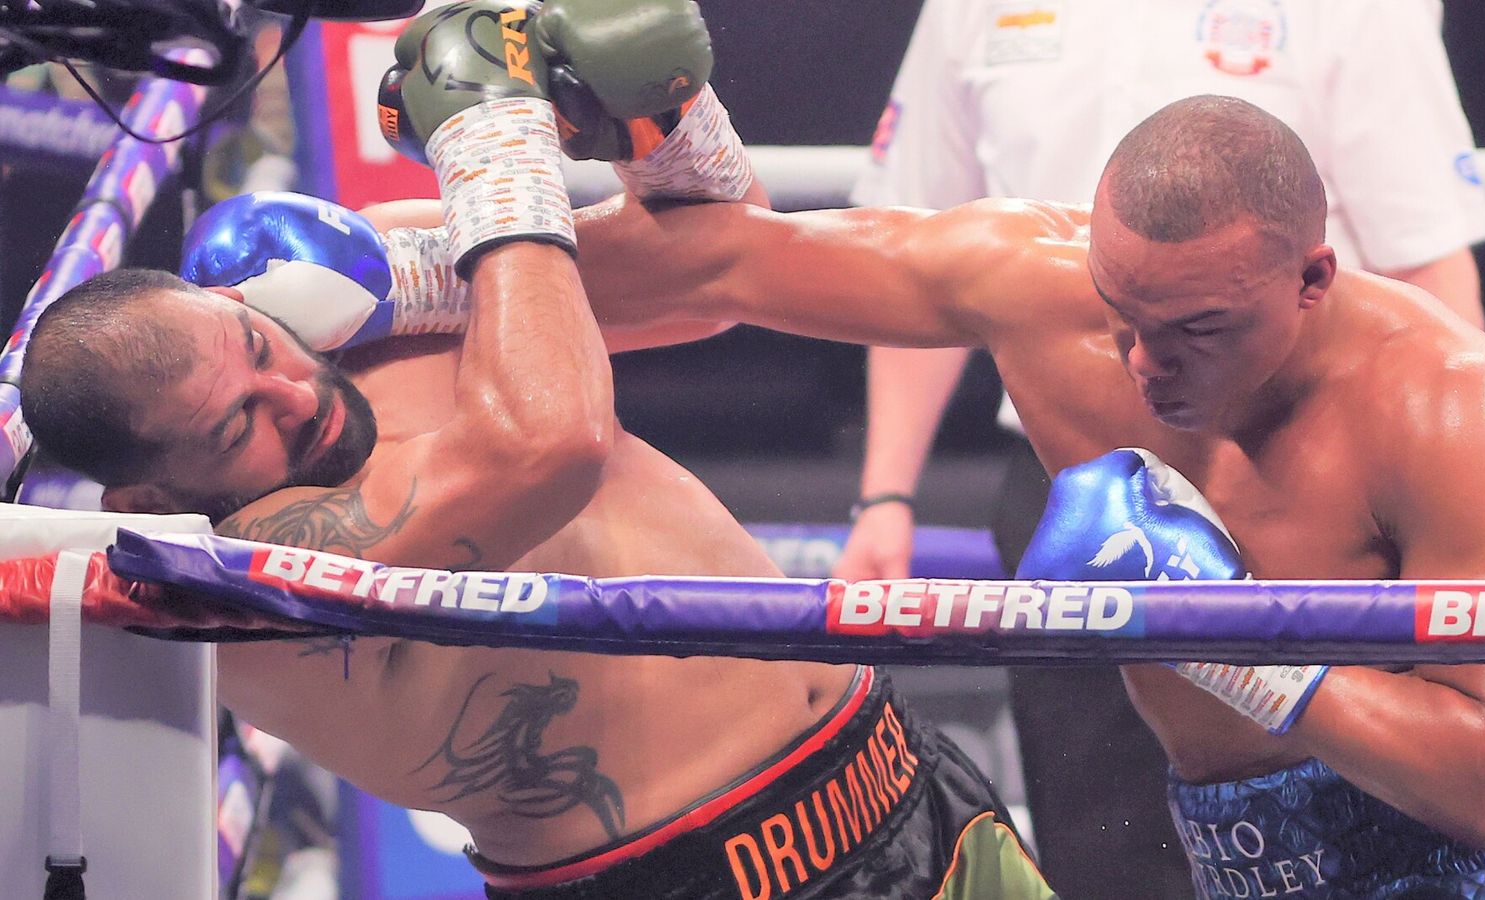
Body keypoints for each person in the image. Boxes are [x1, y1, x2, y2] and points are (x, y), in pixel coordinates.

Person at [15, 2, 1055, 898]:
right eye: (238, 425)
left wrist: (658, 114)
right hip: (682, 870)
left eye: (254, 348)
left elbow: (712, 265)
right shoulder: (251, 586)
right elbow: (550, 446)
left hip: (895, 767)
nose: (291, 394)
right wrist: (492, 137)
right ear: (152, 495)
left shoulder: (347, 310)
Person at [568, 94, 1485, 897]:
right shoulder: (1032, 288)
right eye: (1122, 315)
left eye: (1198, 330)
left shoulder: (1448, 405)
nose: (1145, 366)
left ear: (1311, 280)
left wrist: (1221, 636)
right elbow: (724, 268)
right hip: (1229, 853)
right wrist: (461, 229)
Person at [839, 4, 1485, 890]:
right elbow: (925, 260)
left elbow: (1429, 260)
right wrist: (886, 493)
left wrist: (1450, 484)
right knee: (1099, 841)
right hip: (1068, 482)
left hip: (1294, 486)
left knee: (1330, 829)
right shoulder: (971, 8)